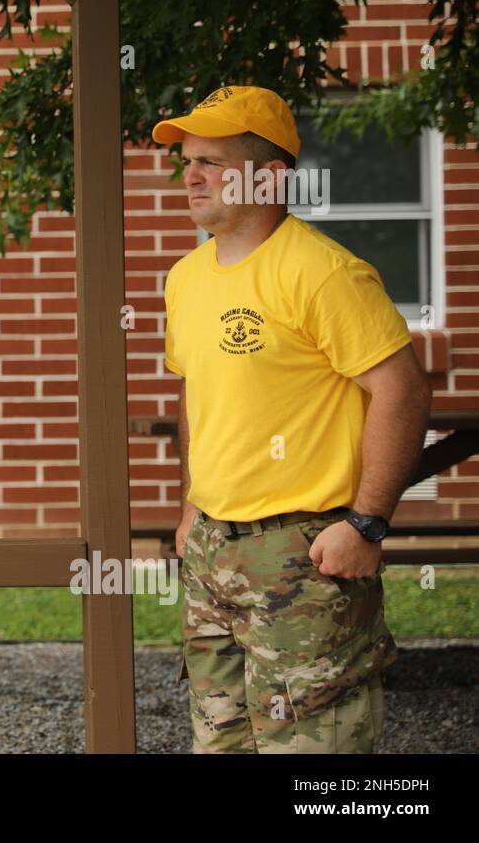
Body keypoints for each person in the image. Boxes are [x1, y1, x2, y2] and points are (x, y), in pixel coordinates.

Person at [152, 85, 432, 753]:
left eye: (213, 162)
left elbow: (403, 391)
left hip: (306, 555)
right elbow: (201, 393)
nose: (192, 175)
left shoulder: (324, 274)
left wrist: (366, 522)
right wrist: (194, 502)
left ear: (270, 176)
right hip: (213, 551)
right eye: (187, 160)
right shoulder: (185, 278)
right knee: (219, 743)